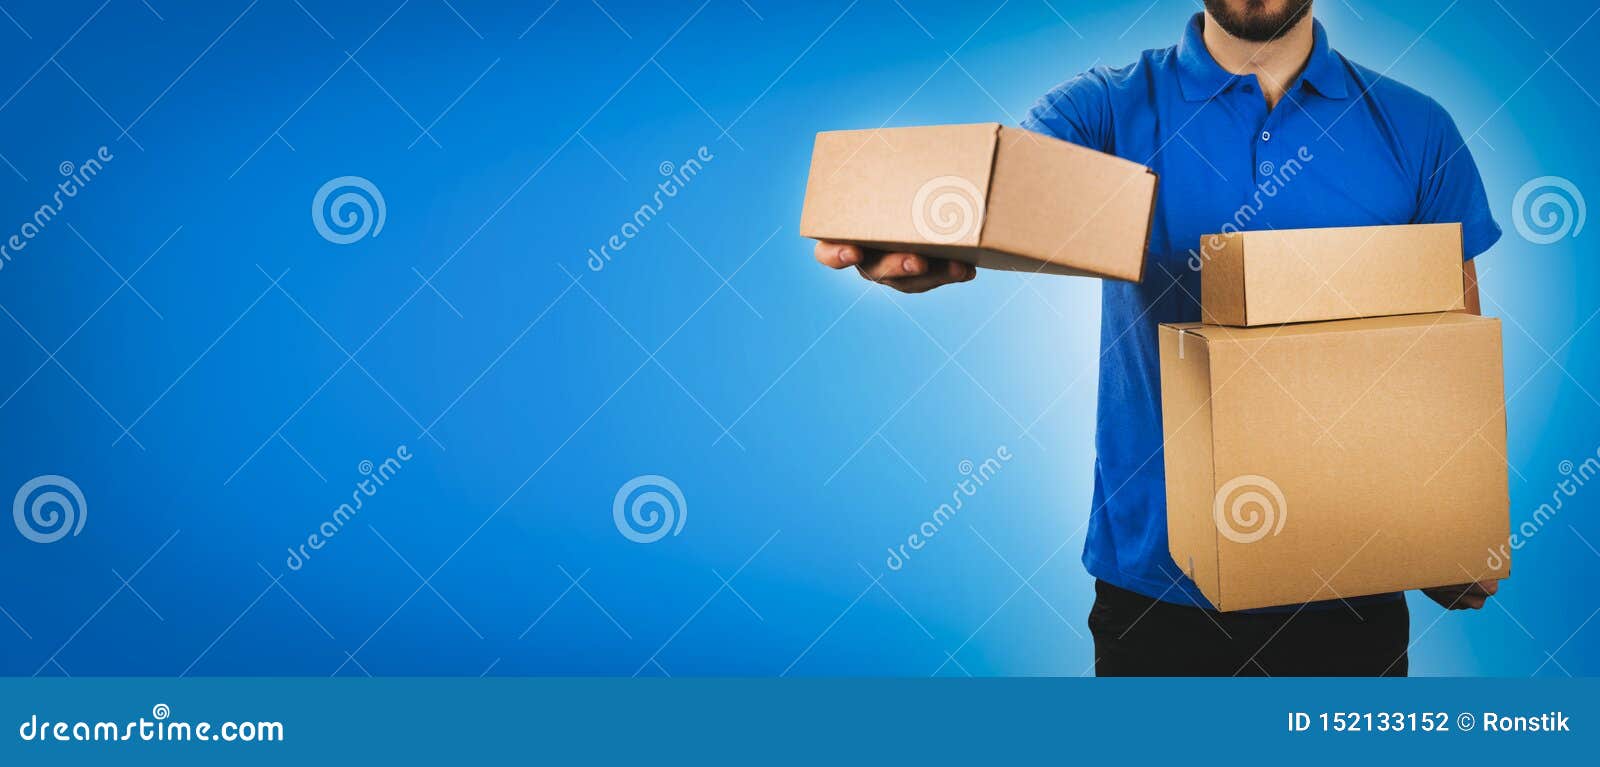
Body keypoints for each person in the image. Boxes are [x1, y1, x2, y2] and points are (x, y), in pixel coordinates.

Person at [812, 0, 1501, 676]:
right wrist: (922, 239)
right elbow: (1002, 202)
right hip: (1157, 592)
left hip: (1352, 590)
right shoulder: (1105, 111)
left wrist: (1455, 530)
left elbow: (1452, 357)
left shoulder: (1416, 129)